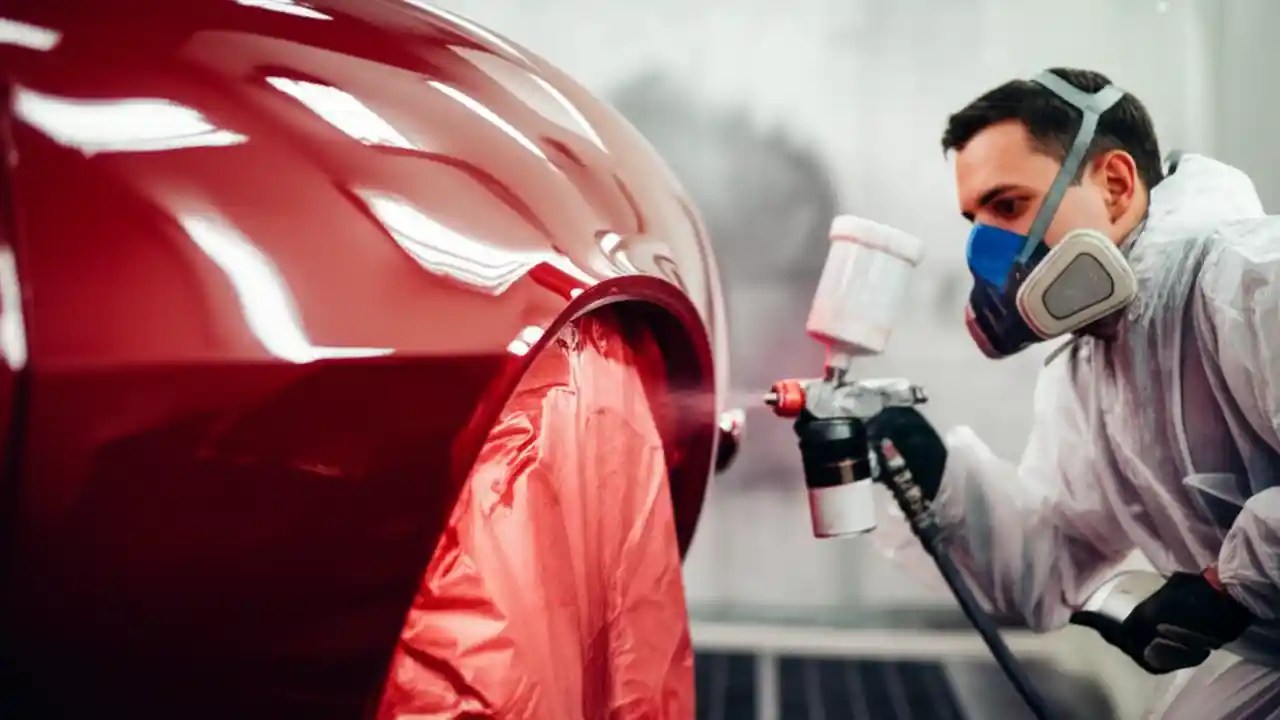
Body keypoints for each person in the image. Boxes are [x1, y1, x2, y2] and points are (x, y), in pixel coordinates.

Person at [862, 68, 1280, 717]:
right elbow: (1055, 555)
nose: (987, 253)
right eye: (975, 219)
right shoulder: (1090, 362)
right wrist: (936, 478)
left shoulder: (1248, 278)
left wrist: (1228, 585)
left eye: (1008, 206)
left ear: (1115, 186)